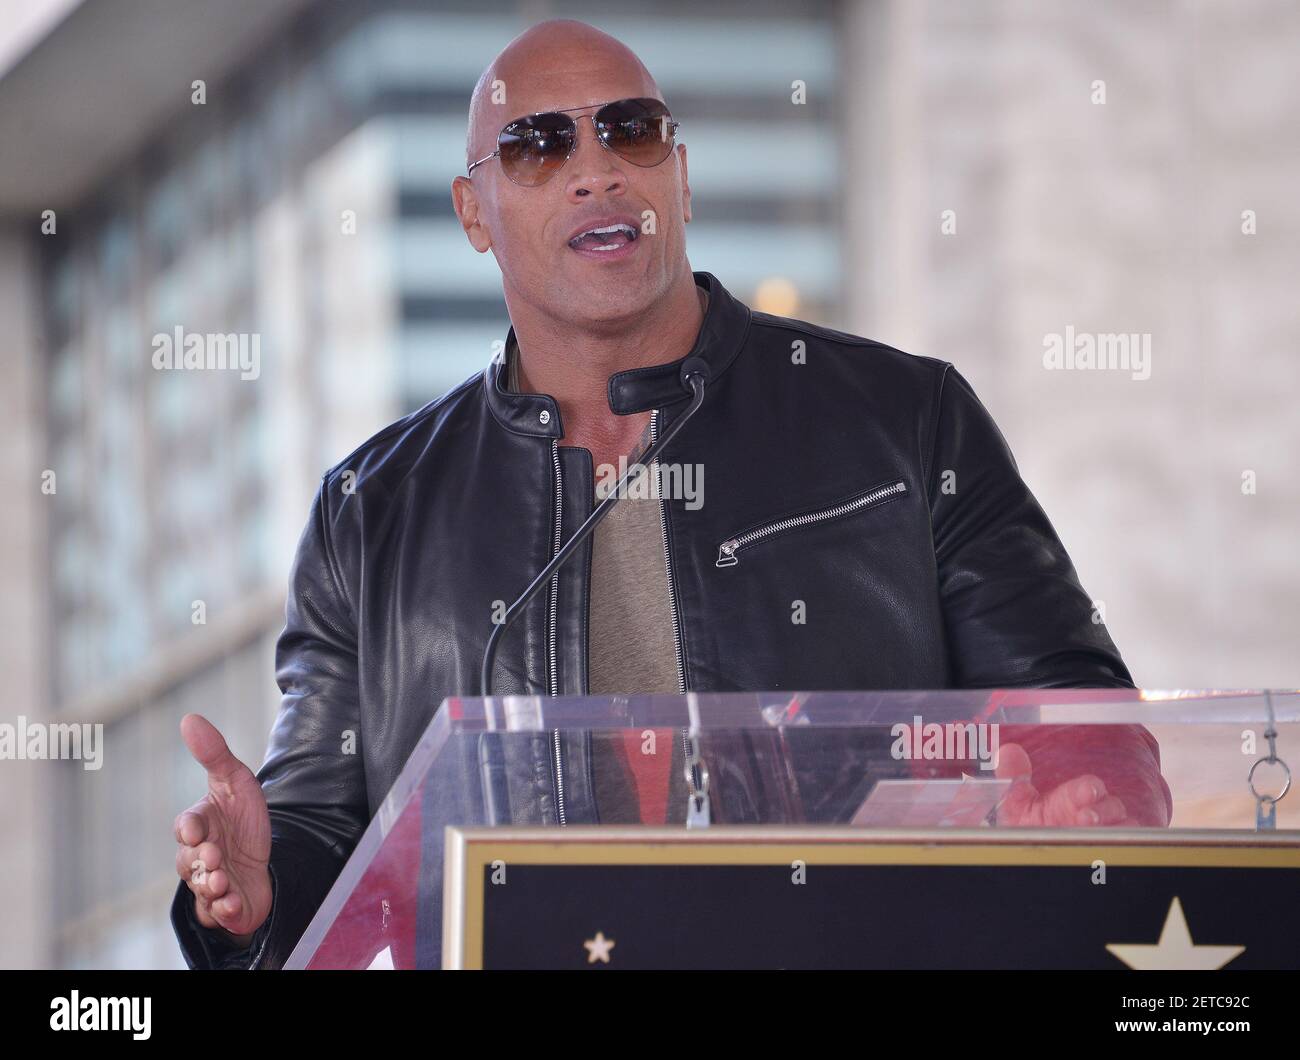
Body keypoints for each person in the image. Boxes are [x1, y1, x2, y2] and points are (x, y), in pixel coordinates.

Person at [171, 19, 1171, 970]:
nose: (596, 169)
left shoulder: (902, 420)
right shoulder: (371, 513)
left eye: (630, 132)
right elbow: (316, 833)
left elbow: (1076, 715)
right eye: (535, 147)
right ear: (473, 212)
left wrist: (1084, 805)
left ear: (678, 178)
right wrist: (249, 895)